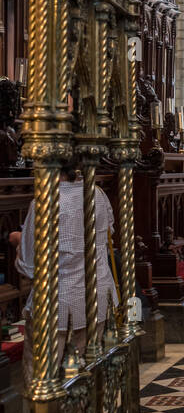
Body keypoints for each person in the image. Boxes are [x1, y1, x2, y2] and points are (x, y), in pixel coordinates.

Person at [16, 160, 119, 386]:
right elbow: (106, 234)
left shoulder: (45, 200)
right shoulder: (98, 194)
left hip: (57, 303)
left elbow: (28, 265)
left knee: (45, 383)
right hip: (98, 297)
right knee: (87, 379)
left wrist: (18, 242)